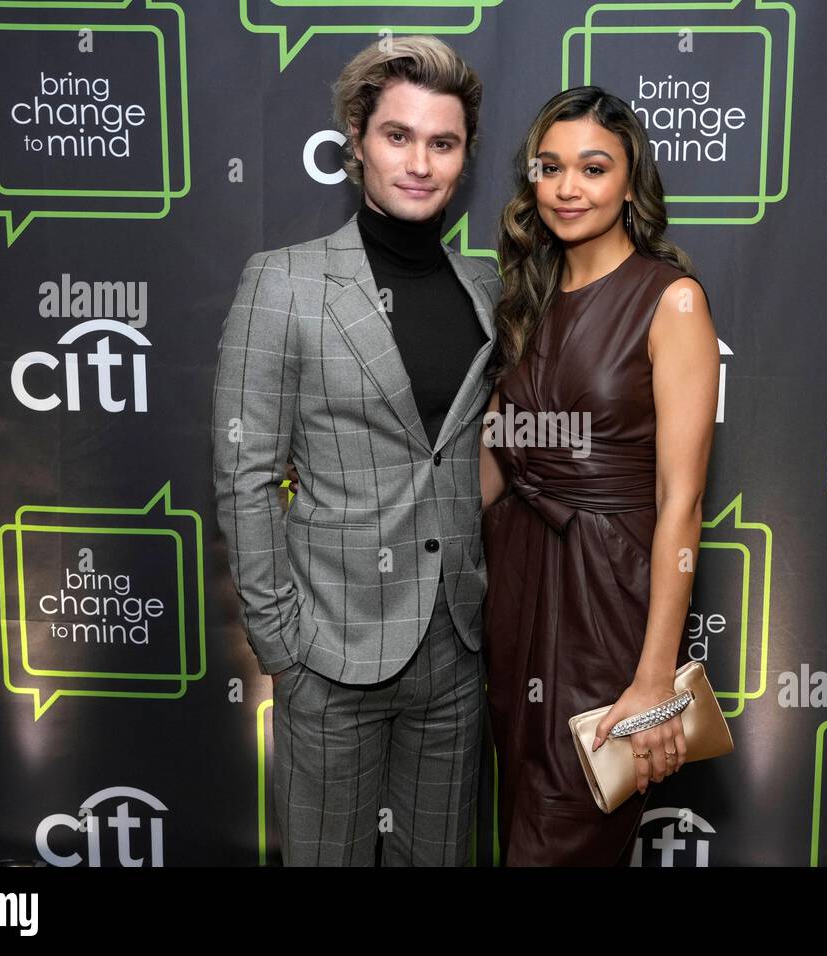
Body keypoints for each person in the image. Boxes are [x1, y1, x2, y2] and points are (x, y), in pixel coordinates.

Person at [211, 36, 499, 866]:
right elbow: (247, 473)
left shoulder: (483, 287)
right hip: (327, 651)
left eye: (442, 143)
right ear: (357, 143)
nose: (420, 162)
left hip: (452, 651)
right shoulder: (283, 282)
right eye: (397, 136)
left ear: (464, 157)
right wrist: (281, 644)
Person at [479, 86, 720, 866]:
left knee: (567, 824)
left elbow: (680, 504)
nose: (568, 187)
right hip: (514, 587)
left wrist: (657, 681)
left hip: (606, 593)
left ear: (629, 182)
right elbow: (492, 463)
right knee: (518, 808)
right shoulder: (521, 302)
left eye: (593, 167)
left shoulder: (670, 300)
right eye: (550, 168)